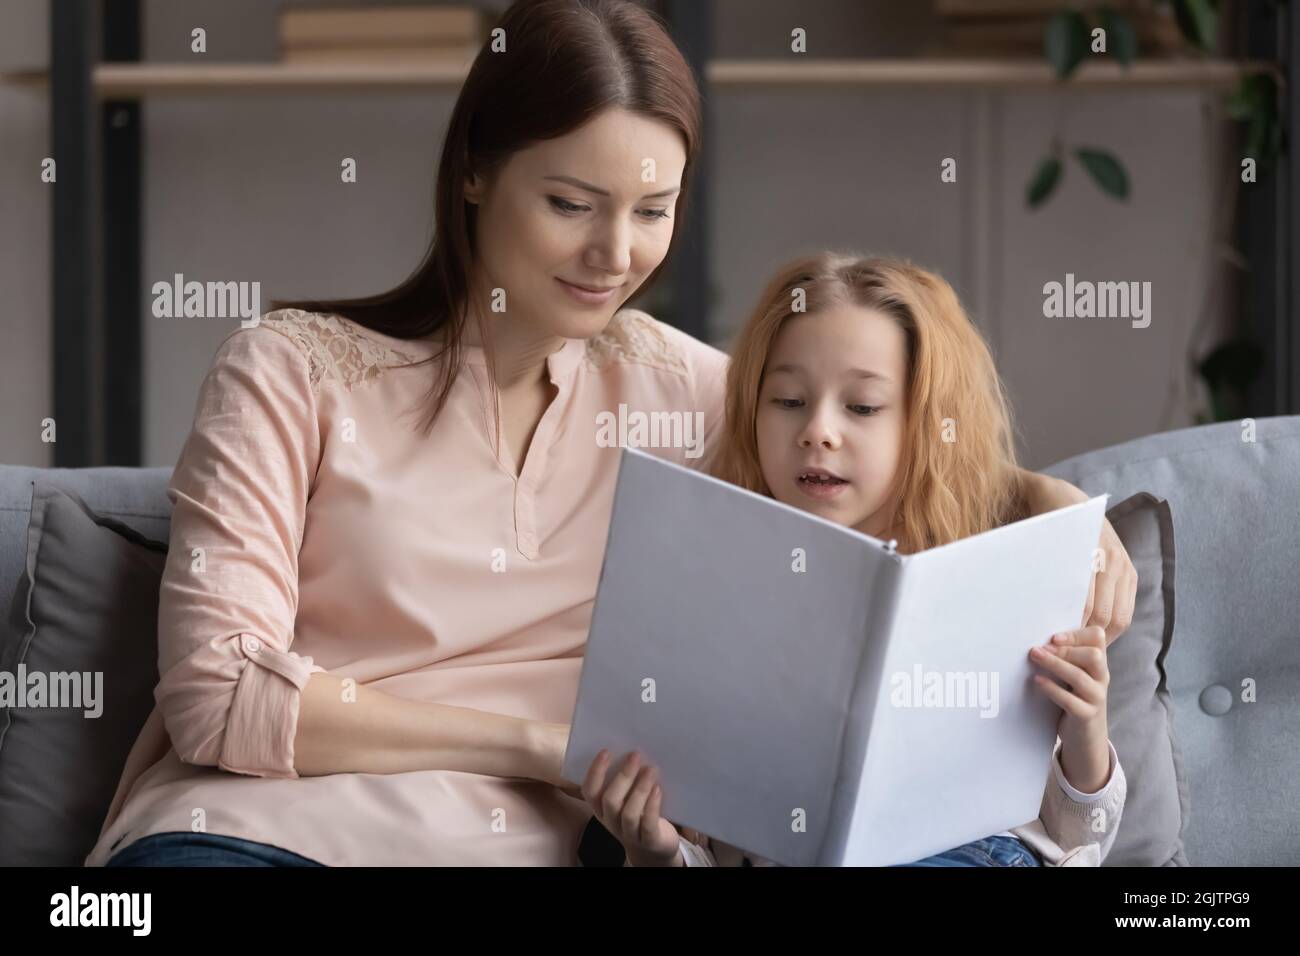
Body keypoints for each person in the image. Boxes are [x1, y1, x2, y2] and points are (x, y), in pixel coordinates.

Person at [89, 1, 1134, 867]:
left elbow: (871, 447)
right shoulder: (288, 369)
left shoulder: (678, 383)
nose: (613, 251)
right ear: (474, 174)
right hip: (260, 837)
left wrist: (1051, 506)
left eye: (653, 209)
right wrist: (540, 744)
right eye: (572, 202)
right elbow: (217, 692)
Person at [581, 254, 1128, 868]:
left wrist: (1086, 730)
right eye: (787, 400)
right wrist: (653, 852)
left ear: (923, 424)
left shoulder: (995, 567)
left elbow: (1084, 838)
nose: (817, 430)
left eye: (862, 407)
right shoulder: (705, 586)